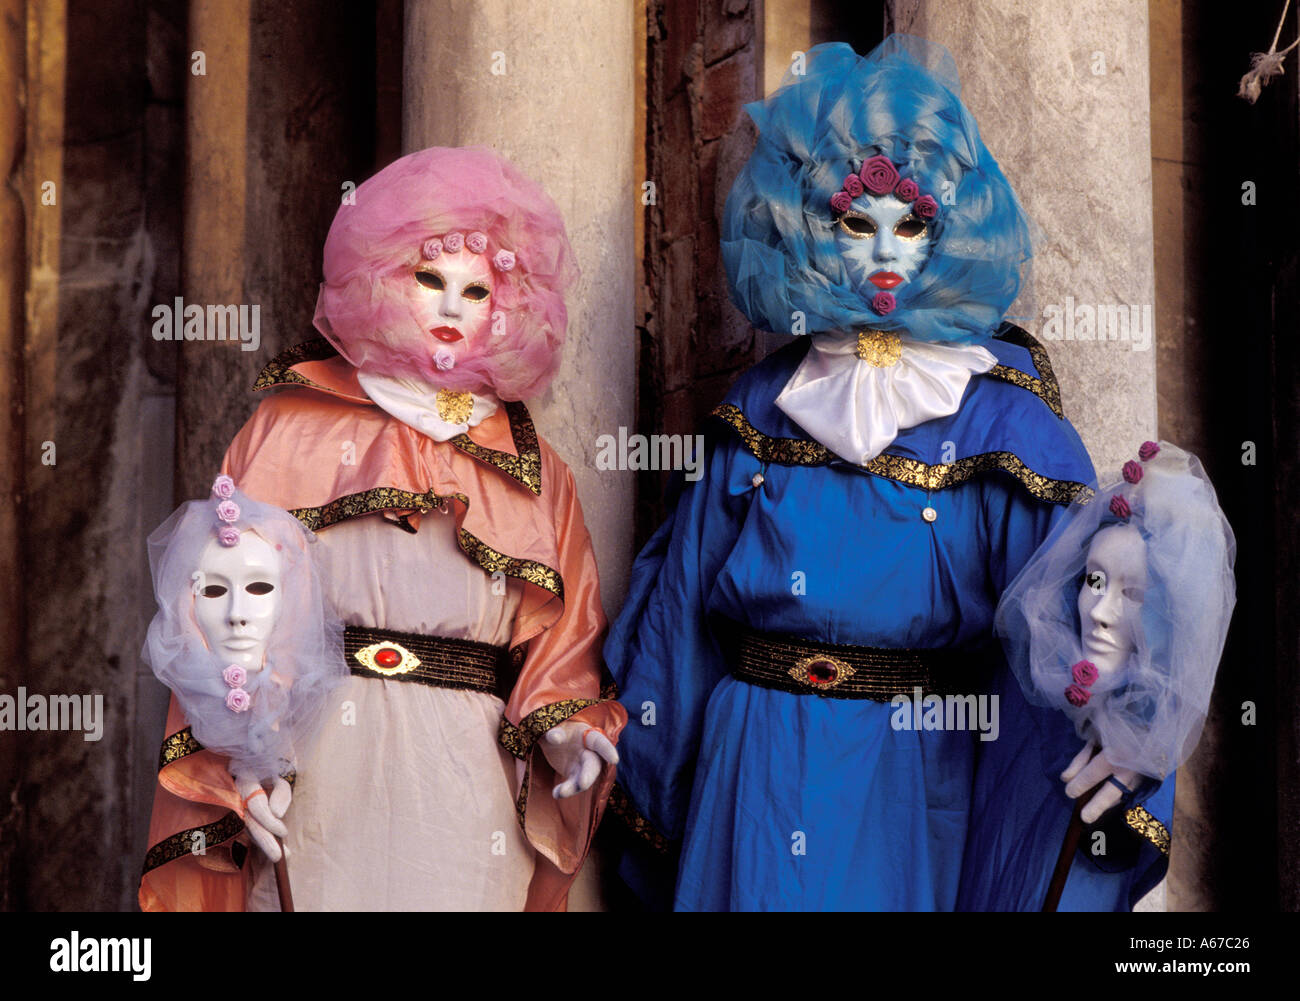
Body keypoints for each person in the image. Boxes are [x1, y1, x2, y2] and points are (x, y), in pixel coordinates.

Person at [605, 34, 1171, 911]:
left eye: (909, 224)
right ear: (806, 227)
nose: (882, 251)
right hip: (755, 763)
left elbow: (1082, 607)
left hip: (916, 772)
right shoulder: (760, 406)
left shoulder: (1006, 417)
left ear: (949, 228)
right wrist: (638, 765)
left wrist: (1130, 725)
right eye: (852, 222)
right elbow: (681, 612)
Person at [140, 146, 626, 912]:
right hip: (318, 767)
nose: (451, 307)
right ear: (380, 275)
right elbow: (219, 612)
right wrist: (241, 763)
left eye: (478, 290)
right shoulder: (285, 428)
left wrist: (565, 735)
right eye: (429, 278)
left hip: (466, 784)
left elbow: (562, 647)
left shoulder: (537, 468)